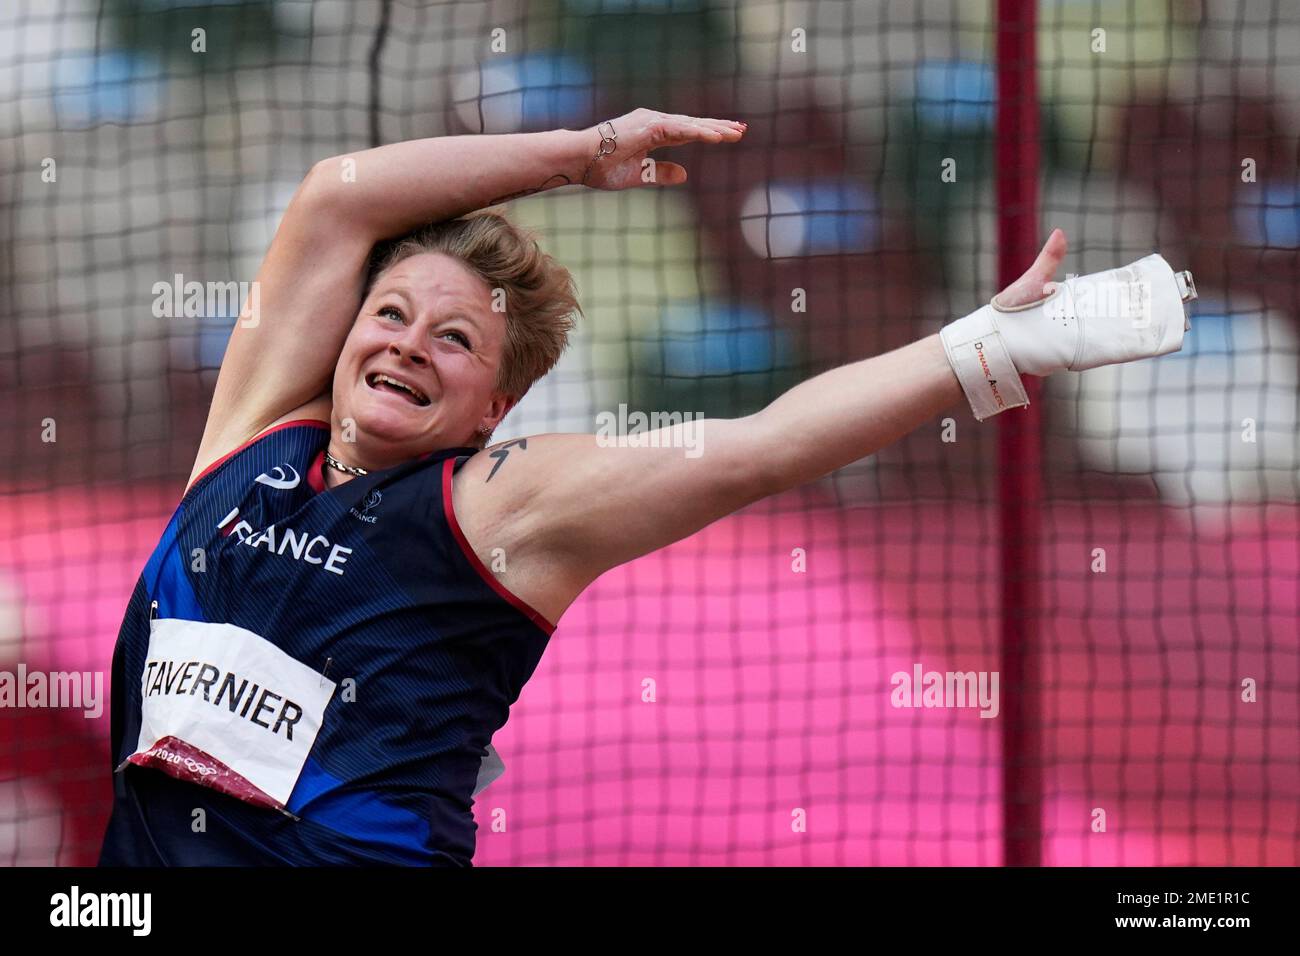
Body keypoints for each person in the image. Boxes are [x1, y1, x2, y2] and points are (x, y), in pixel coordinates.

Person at [97, 108, 1192, 866]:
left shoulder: (499, 506)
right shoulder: (245, 441)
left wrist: (986, 349)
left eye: (455, 338)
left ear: (492, 408)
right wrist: (583, 152)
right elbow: (338, 193)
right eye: (390, 315)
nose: (410, 345)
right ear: (345, 338)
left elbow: (760, 444)